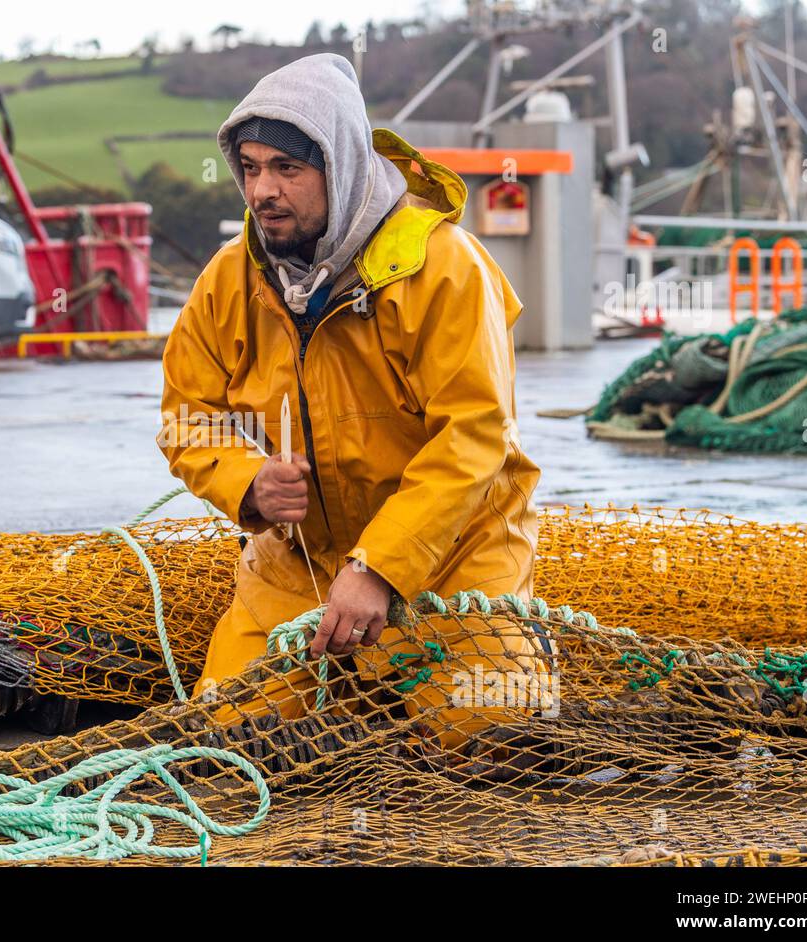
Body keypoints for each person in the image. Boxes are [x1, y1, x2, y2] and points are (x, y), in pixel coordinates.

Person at [157, 53, 545, 749]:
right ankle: (362, 698)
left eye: (287, 168)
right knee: (233, 734)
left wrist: (380, 568)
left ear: (341, 165)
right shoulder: (227, 280)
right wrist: (246, 483)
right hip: (298, 566)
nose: (262, 189)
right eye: (249, 167)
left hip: (454, 558)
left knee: (484, 725)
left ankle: (435, 679)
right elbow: (186, 418)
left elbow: (475, 440)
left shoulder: (447, 270)